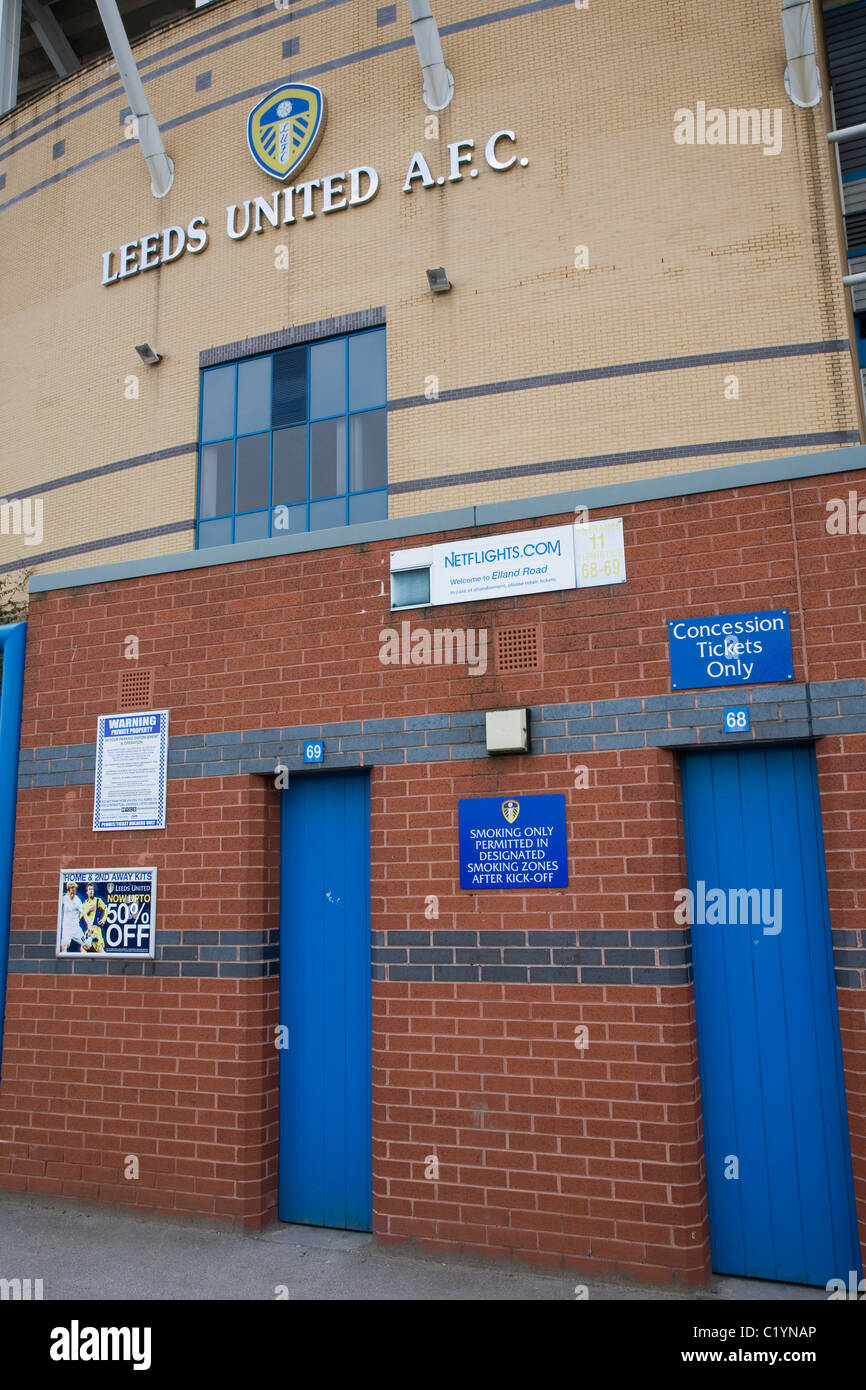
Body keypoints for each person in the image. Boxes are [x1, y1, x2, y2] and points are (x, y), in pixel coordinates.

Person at [79, 881, 108, 953]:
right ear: (87, 892)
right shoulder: (85, 903)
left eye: (92, 889)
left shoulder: (98, 901)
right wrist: (88, 910)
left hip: (96, 930)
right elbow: (80, 915)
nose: (91, 891)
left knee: (100, 950)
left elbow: (105, 909)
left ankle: (109, 963)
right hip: (89, 931)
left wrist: (103, 920)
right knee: (83, 948)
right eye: (89, 889)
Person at [59, 880, 86, 952]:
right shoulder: (64, 899)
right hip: (66, 929)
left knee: (86, 946)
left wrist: (89, 925)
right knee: (64, 946)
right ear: (69, 889)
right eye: (73, 888)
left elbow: (84, 913)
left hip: (76, 929)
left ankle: (90, 938)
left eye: (75, 888)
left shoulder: (78, 900)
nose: (75, 890)